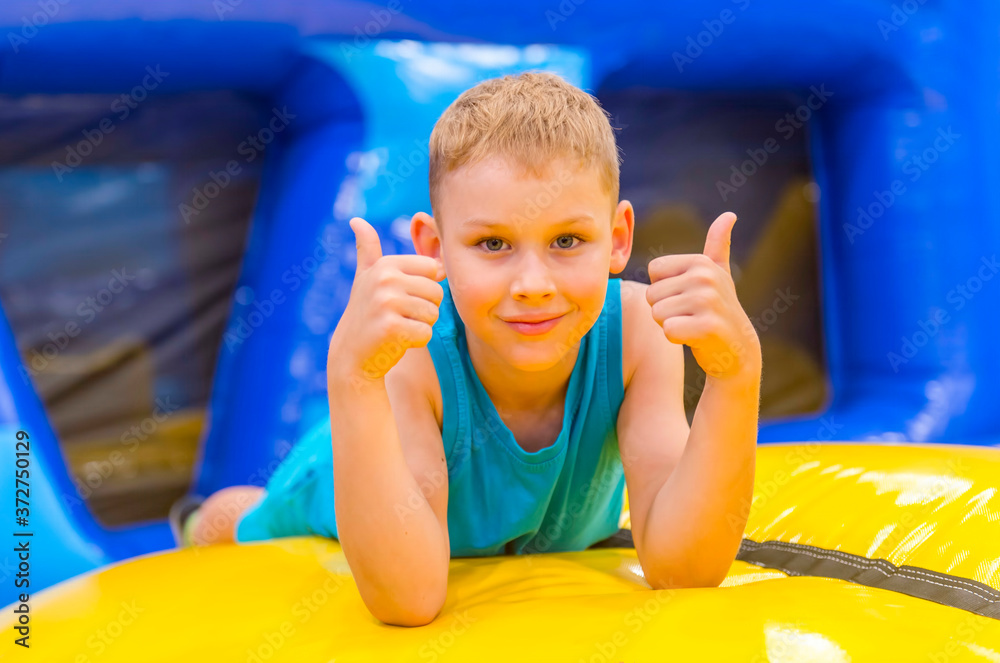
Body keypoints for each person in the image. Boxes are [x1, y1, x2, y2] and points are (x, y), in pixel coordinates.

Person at [168, 71, 762, 627]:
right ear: (435, 249)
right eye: (493, 243)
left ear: (618, 238)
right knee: (238, 521)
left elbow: (682, 568)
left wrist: (736, 376)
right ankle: (200, 516)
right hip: (350, 464)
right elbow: (411, 599)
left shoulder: (637, 334)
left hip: (519, 526)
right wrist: (352, 379)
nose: (533, 284)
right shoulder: (416, 352)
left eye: (567, 240)